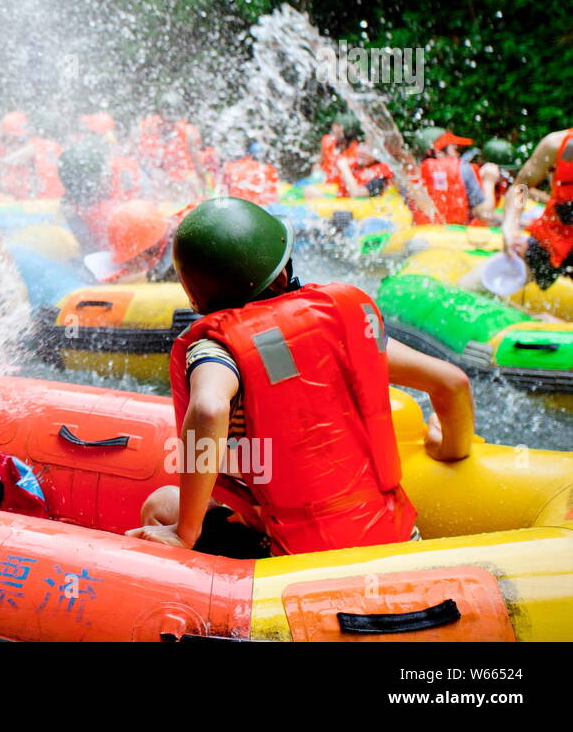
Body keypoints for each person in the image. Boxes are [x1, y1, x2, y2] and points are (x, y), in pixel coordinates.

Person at [128, 199, 475, 557]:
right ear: (281, 273)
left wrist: (186, 531)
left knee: (161, 503)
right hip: (395, 538)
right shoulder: (343, 325)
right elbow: (452, 382)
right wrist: (449, 447)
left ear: (195, 298)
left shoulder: (217, 349)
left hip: (294, 557)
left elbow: (208, 408)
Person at [502, 126, 573, 289]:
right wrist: (510, 225)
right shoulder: (556, 145)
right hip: (554, 237)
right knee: (475, 285)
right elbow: (521, 187)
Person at [410, 127, 488, 224]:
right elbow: (483, 212)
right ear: (438, 152)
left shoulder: (412, 175)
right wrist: (489, 182)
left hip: (423, 234)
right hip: (456, 234)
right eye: (452, 147)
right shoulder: (463, 169)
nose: (457, 150)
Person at [221, 140, 279, 205]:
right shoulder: (269, 169)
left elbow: (223, 190)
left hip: (237, 205)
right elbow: (272, 195)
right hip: (261, 207)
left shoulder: (232, 167)